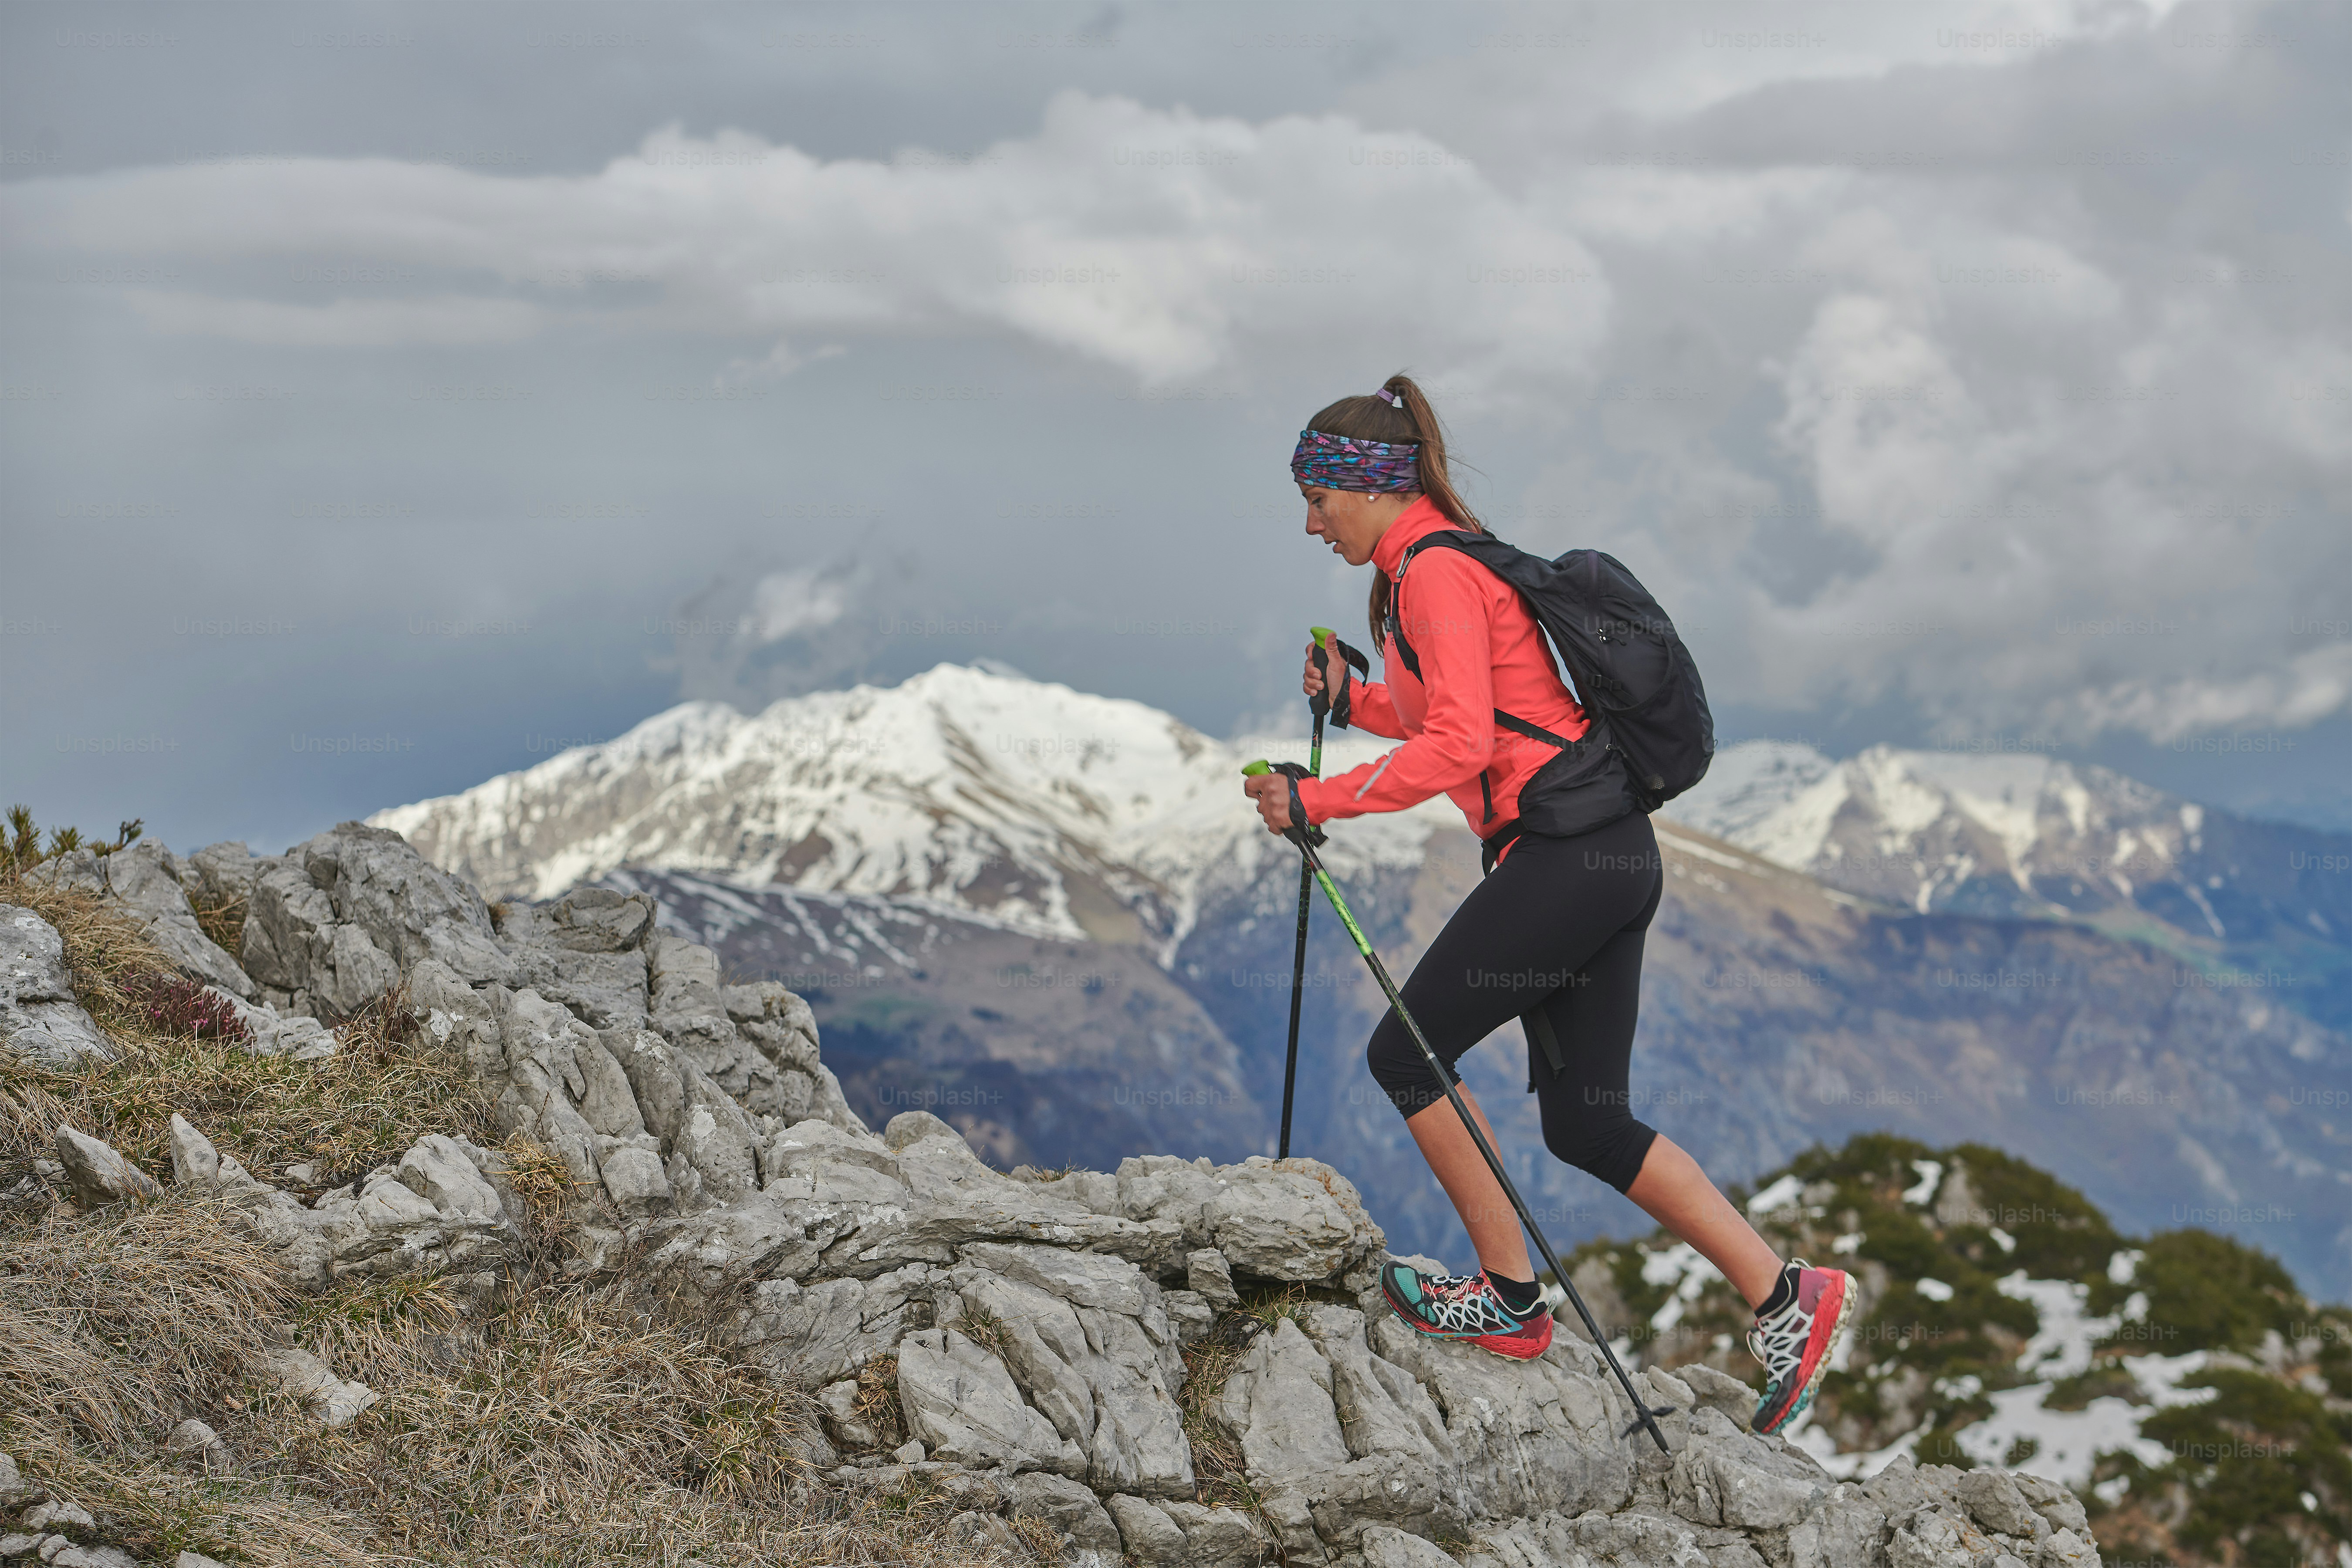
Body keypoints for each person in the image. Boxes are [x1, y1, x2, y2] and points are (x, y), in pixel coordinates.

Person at [1240, 372, 1852, 1435]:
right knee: (1588, 1122)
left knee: (1406, 1054)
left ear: (1371, 488)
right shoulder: (1433, 567)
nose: (1309, 523)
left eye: (1318, 499)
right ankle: (1786, 1294)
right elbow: (1449, 714)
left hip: (1565, 855)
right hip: (1609, 852)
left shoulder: (1429, 575)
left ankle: (1511, 1299)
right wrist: (1354, 701)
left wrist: (1316, 797)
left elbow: (1461, 747)